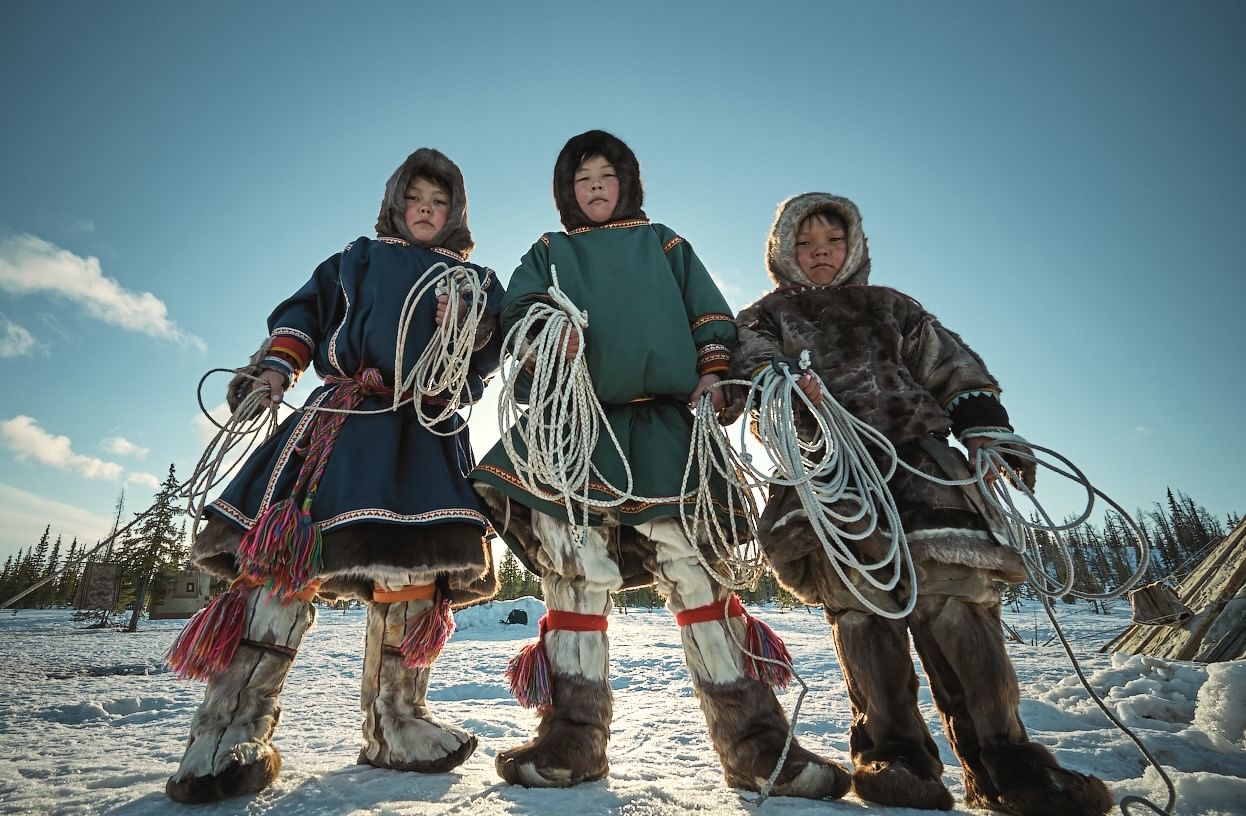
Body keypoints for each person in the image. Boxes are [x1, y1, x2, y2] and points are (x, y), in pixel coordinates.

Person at [469, 131, 850, 799]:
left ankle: (756, 745)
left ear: (626, 184)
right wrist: (543, 329)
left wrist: (713, 374)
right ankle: (571, 740)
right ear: (566, 192)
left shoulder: (666, 244)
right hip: (571, 428)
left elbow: (711, 318)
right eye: (580, 178)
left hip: (663, 426)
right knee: (572, 571)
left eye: (605, 176)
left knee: (698, 574)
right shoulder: (549, 252)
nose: (594, 187)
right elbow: (519, 313)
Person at [725, 192, 1113, 815]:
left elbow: (951, 367)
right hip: (832, 477)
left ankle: (1006, 761)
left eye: (832, 244)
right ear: (781, 254)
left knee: (956, 600)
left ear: (853, 249)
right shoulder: (766, 317)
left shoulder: (893, 308)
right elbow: (750, 366)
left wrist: (986, 427)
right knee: (861, 608)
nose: (820, 255)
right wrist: (781, 382)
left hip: (923, 470)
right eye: (805, 245)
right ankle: (893, 754)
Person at [165, 148, 505, 803]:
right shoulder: (355, 260)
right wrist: (272, 371)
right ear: (396, 206)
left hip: (422, 429)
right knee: (282, 570)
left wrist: (465, 329)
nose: (426, 211)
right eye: (416, 201)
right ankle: (229, 729)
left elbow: (483, 358)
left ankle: (396, 724)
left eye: (439, 203)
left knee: (411, 579)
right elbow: (303, 320)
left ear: (455, 212)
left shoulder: (476, 282)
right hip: (342, 420)